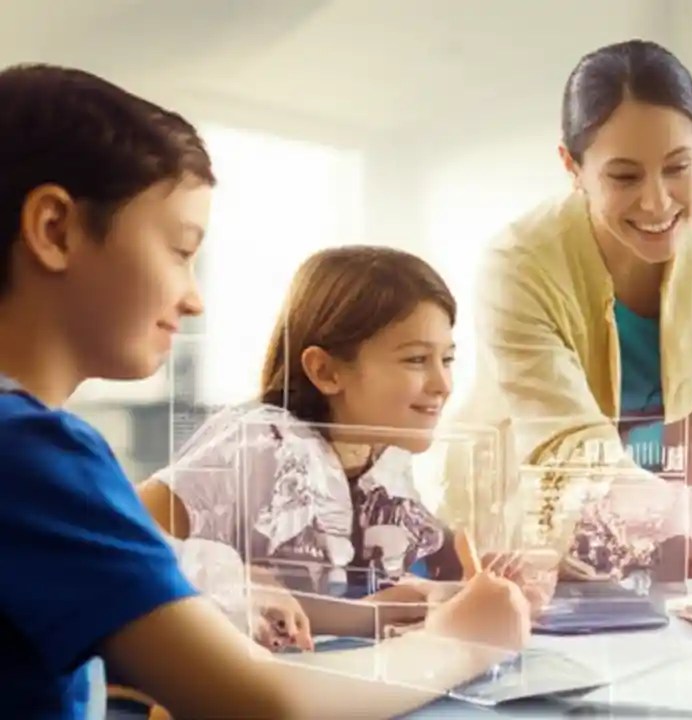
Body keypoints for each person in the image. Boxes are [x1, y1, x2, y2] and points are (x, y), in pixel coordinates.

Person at [0, 62, 529, 719]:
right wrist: (463, 644)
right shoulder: (32, 454)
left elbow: (161, 569)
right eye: (179, 250)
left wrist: (269, 594)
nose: (193, 298)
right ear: (54, 230)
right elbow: (267, 705)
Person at [438, 39, 692, 572]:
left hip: (642, 532)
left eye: (679, 166)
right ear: (571, 165)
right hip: (508, 538)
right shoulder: (517, 264)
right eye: (624, 176)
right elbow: (572, 455)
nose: (657, 202)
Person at [136, 245, 548, 651]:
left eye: (448, 359)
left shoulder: (382, 458)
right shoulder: (262, 444)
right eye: (417, 360)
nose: (442, 384)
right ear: (326, 371)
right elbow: (122, 539)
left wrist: (501, 575)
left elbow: (442, 561)